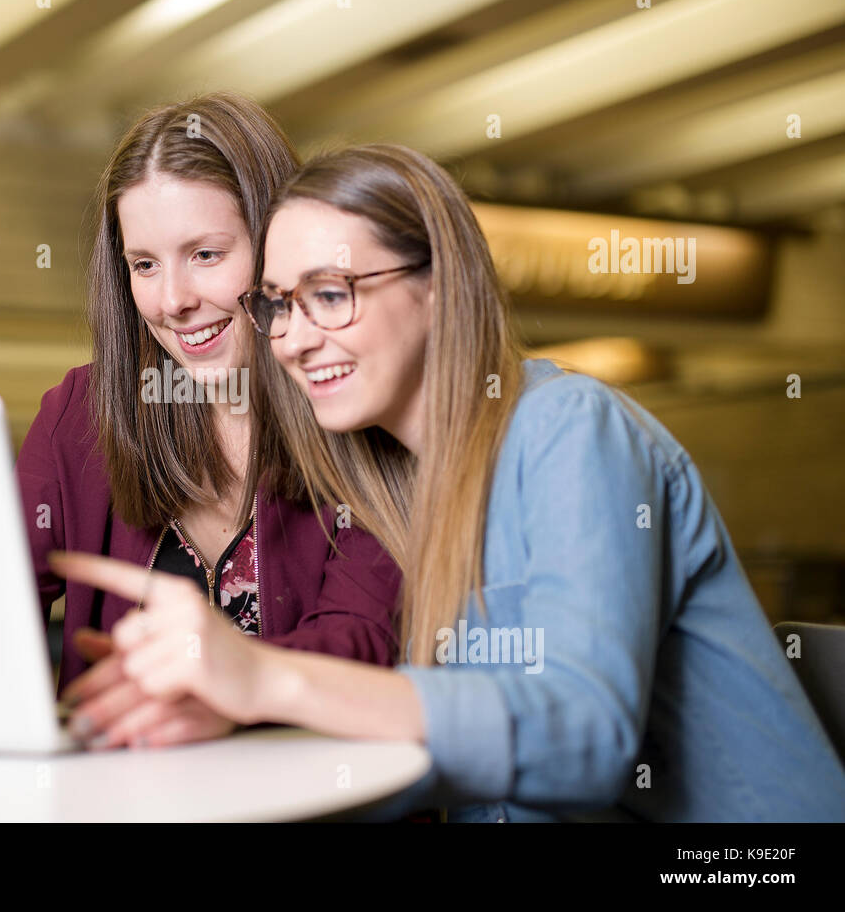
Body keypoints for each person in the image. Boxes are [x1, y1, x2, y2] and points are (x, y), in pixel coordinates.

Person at [51, 143, 845, 820]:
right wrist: (222, 732)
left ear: (436, 286)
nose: (292, 339)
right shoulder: (401, 484)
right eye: (278, 305)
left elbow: (583, 737)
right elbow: (451, 753)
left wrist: (264, 678)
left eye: (331, 294)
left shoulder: (570, 429)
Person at [18, 98, 401, 752]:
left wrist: (234, 679)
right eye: (145, 264)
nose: (173, 301)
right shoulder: (79, 413)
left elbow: (363, 639)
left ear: (280, 244)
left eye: (204, 254)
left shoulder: (358, 403)